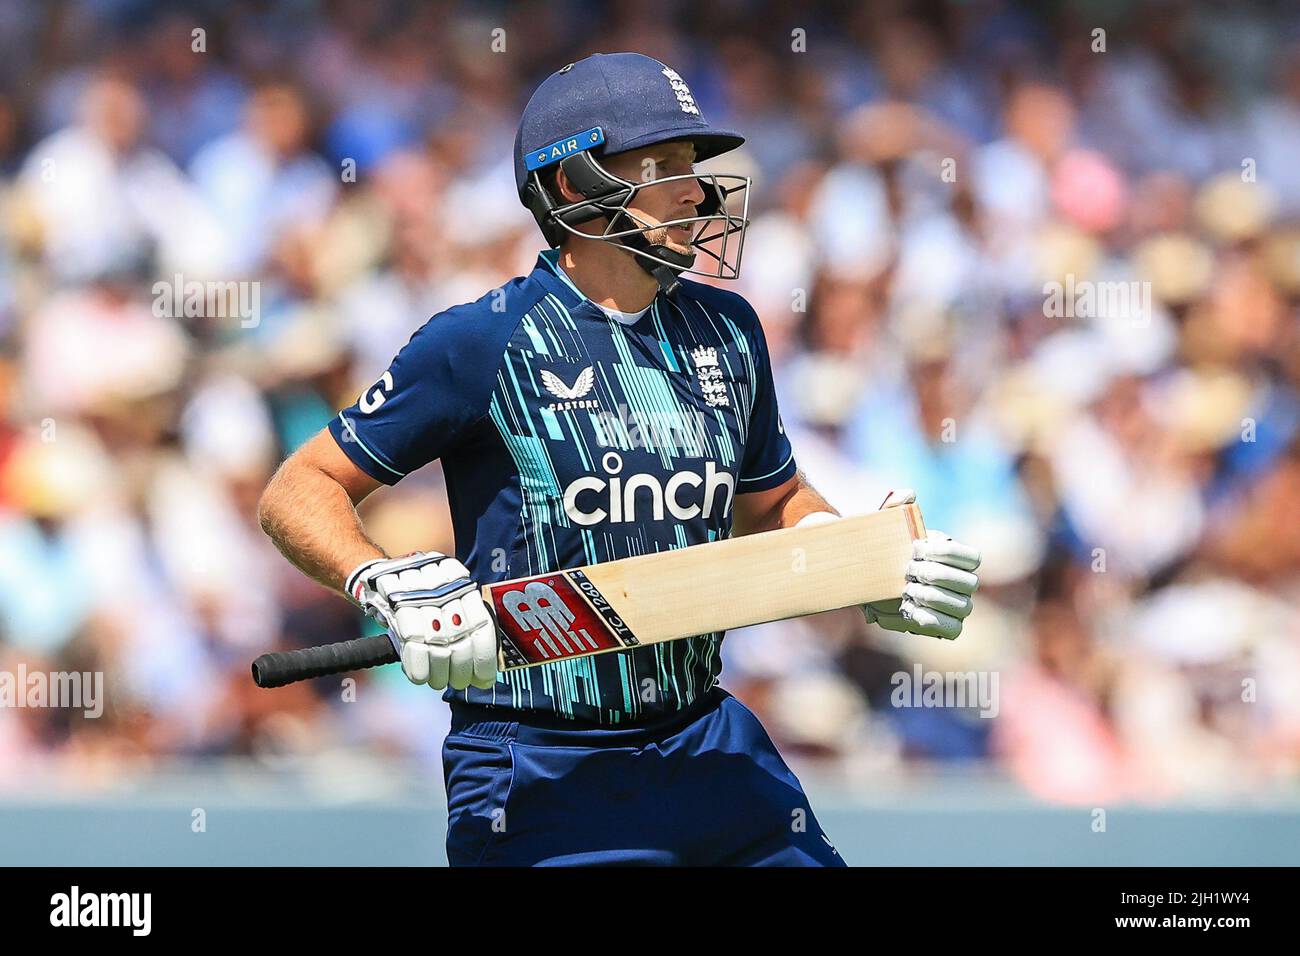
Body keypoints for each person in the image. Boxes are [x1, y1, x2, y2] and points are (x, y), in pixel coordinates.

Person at [257, 52, 982, 866]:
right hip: (540, 767)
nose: (698, 190)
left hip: (707, 738)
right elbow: (298, 486)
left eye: (694, 166)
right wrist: (382, 581)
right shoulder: (481, 339)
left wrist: (865, 567)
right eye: (664, 165)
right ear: (574, 184)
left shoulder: (728, 329)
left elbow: (775, 502)